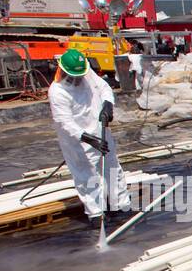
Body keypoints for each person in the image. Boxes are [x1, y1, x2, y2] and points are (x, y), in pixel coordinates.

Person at [48, 48, 131, 230]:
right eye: (74, 77)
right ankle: (96, 214)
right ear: (63, 71)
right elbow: (65, 122)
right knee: (87, 176)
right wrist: (88, 139)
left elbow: (103, 87)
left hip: (100, 130)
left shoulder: (86, 73)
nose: (79, 80)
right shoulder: (57, 91)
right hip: (78, 141)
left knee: (112, 168)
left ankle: (121, 206)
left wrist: (108, 104)